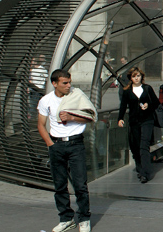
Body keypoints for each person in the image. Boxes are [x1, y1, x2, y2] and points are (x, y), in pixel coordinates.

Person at [36, 69, 92, 232]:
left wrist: (72, 117)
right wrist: (50, 144)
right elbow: (41, 124)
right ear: (55, 84)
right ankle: (66, 219)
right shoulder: (46, 101)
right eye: (64, 83)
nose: (68, 86)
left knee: (80, 184)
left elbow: (89, 117)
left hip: (76, 144)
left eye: (69, 82)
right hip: (56, 145)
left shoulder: (77, 95)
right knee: (60, 185)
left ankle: (84, 218)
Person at [117, 66, 159, 183]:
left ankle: (145, 173)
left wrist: (148, 105)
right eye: (134, 76)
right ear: (130, 78)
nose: (136, 78)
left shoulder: (147, 88)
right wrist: (120, 118)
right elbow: (123, 106)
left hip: (147, 120)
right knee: (136, 146)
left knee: (144, 146)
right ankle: (140, 168)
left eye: (138, 76)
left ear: (142, 77)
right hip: (134, 121)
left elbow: (156, 103)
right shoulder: (127, 91)